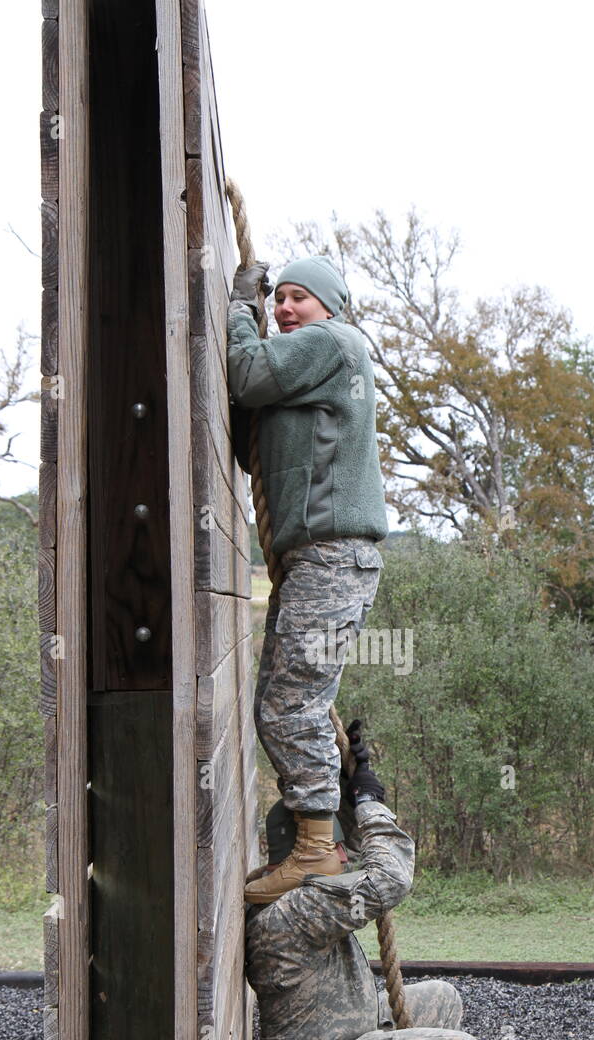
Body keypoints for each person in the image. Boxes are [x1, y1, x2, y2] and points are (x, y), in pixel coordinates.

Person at [244, 721, 483, 1040]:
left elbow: (352, 858)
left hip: (343, 1036)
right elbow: (389, 878)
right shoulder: (292, 915)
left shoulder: (293, 891)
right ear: (303, 857)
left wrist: (353, 779)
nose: (340, 852)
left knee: (442, 998)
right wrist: (373, 804)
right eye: (331, 845)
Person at [227, 255, 389, 905]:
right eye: (280, 299)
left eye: (300, 299)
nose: (286, 308)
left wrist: (242, 312)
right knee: (280, 701)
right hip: (316, 562)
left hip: (330, 558)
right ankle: (314, 837)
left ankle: (318, 850)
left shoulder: (334, 344)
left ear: (332, 306)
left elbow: (245, 371)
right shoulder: (309, 369)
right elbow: (251, 440)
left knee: (290, 704)